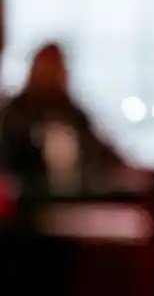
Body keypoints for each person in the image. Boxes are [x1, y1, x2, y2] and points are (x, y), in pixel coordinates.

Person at [0, 43, 127, 198]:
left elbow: (101, 151)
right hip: (29, 200)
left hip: (75, 199)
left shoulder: (73, 112)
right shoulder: (16, 114)